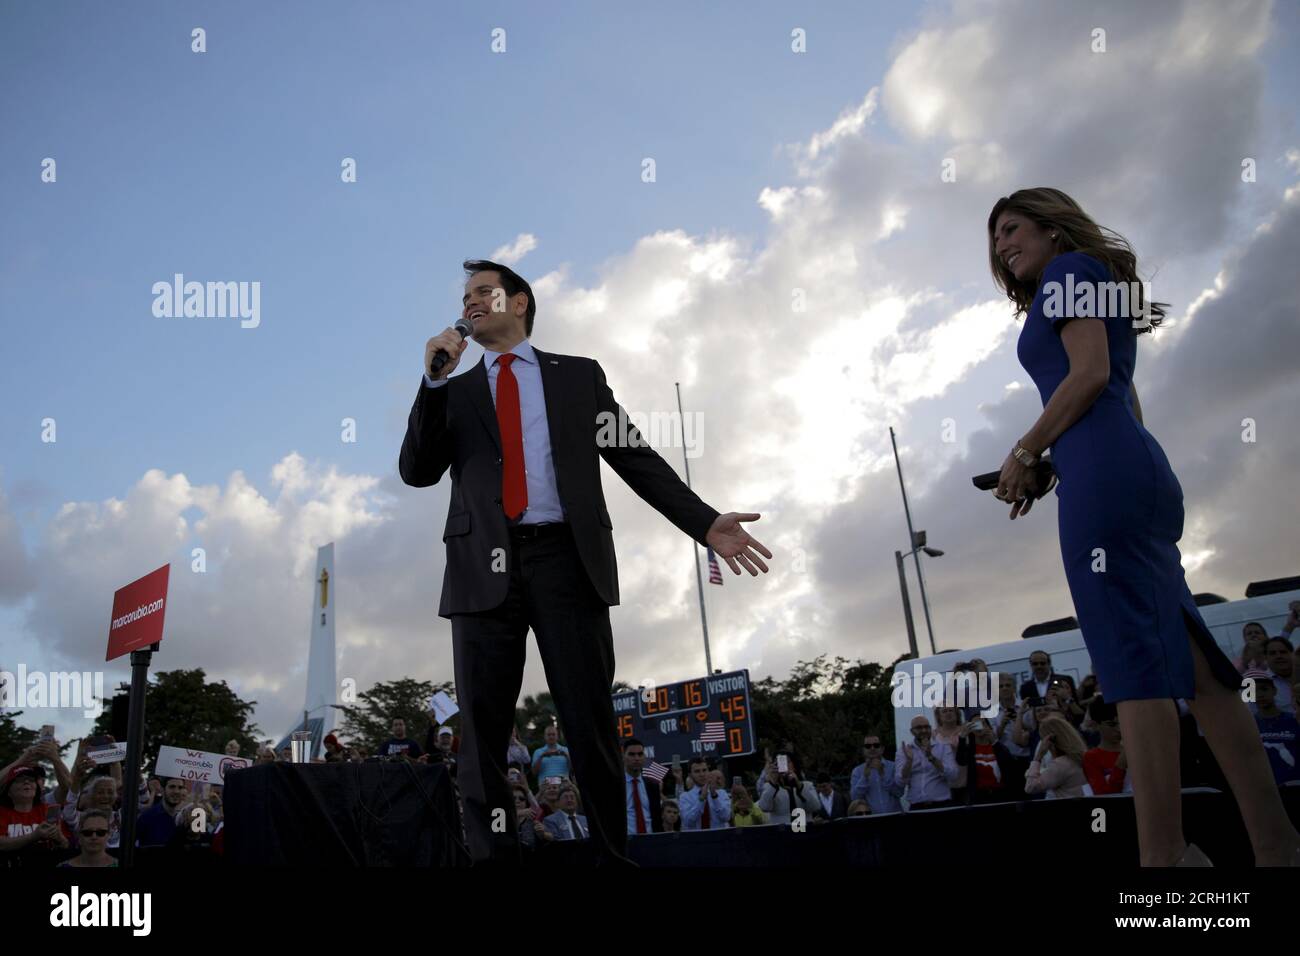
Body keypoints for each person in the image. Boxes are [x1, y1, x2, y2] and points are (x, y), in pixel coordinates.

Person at [399, 260, 771, 867]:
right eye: (462, 297)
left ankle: (610, 860)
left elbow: (633, 456)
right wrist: (433, 384)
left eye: (482, 292)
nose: (468, 303)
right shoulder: (455, 389)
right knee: (482, 735)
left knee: (589, 722)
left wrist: (703, 522)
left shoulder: (577, 378)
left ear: (520, 303)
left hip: (567, 562)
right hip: (480, 567)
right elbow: (416, 472)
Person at [988, 186, 1299, 865]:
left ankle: (1165, 861)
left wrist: (1025, 450)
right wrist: (1056, 465)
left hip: (1107, 476)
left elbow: (1091, 374)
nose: (1002, 244)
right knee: (1205, 678)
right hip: (1127, 469)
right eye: (995, 238)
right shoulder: (1090, 280)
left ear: (1053, 230)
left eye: (1013, 228)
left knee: (1134, 670)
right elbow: (1117, 397)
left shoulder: (1069, 273)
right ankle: (1277, 844)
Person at [0, 765, 70, 865]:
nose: (27, 782)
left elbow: (66, 845)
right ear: (8, 791)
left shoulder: (49, 810)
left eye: (31, 780)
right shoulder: (2, 813)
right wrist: (34, 836)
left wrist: (60, 838)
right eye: (19, 780)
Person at [1247, 670, 1299, 786]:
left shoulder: (1295, 720)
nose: (1260, 694)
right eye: (1253, 690)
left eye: (1264, 689)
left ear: (1274, 690)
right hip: (1267, 790)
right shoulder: (1248, 726)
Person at [896, 716, 959, 810]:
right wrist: (909, 762)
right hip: (917, 807)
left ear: (930, 728)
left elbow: (953, 775)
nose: (924, 730)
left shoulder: (943, 747)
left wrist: (931, 757)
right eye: (919, 728)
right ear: (912, 731)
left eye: (926, 727)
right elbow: (900, 782)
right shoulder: (904, 750)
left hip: (942, 805)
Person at [1024, 715, 1088, 799]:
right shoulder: (1083, 756)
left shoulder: (1060, 764)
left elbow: (1030, 787)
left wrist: (1038, 757)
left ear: (1049, 740)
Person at [1082, 698, 1131, 795]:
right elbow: (1104, 795)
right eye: (1112, 724)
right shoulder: (1091, 757)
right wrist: (1120, 765)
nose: (1119, 729)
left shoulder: (1132, 750)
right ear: (1096, 725)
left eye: (1121, 723)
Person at [757, 753, 819, 825]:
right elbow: (764, 807)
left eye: (788, 761)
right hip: (782, 832)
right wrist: (773, 782)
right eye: (779, 762)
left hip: (803, 830)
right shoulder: (769, 787)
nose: (784, 764)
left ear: (794, 765)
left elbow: (815, 807)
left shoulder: (807, 785)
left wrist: (799, 785)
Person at [849, 732, 903, 814]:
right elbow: (854, 798)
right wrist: (865, 777)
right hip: (872, 818)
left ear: (882, 748)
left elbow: (900, 793)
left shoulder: (893, 767)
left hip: (895, 816)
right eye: (868, 746)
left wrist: (883, 775)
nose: (872, 748)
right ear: (863, 750)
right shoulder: (857, 771)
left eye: (876, 745)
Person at [622, 738, 663, 835]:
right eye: (632, 754)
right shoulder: (615, 786)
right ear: (623, 757)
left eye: (640, 754)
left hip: (651, 840)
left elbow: (657, 817)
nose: (637, 758)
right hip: (626, 842)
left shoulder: (653, 785)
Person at [677, 758, 730, 830]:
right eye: (697, 771)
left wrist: (714, 796)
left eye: (704, 770)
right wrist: (701, 799)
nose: (702, 774)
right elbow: (688, 822)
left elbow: (726, 817)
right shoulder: (685, 797)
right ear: (690, 775)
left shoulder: (721, 793)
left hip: (719, 838)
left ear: (708, 771)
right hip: (696, 840)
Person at [136, 777, 188, 847]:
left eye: (180, 788)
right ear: (163, 790)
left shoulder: (187, 818)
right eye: (172, 787)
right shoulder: (147, 817)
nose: (176, 791)